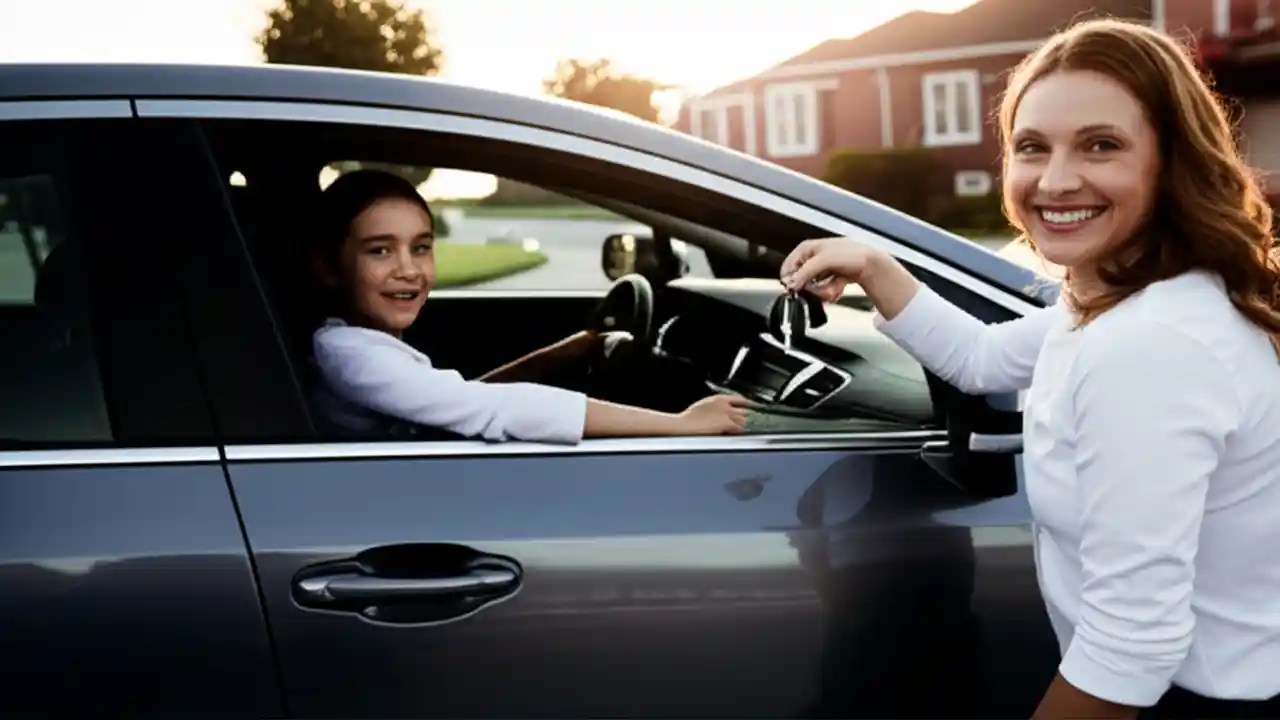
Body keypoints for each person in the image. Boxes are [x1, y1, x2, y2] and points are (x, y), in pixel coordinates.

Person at [781, 18, 1280, 720]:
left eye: (1101, 145)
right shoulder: (1130, 302)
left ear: (1172, 162)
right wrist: (873, 265)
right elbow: (981, 358)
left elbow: (1130, 647)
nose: (1055, 180)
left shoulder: (1148, 347)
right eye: (1031, 147)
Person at [306, 169, 750, 443]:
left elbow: (464, 398)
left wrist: (567, 351)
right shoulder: (350, 356)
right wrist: (682, 424)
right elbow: (495, 408)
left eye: (420, 248)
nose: (409, 270)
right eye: (380, 251)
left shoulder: (363, 347)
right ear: (328, 267)